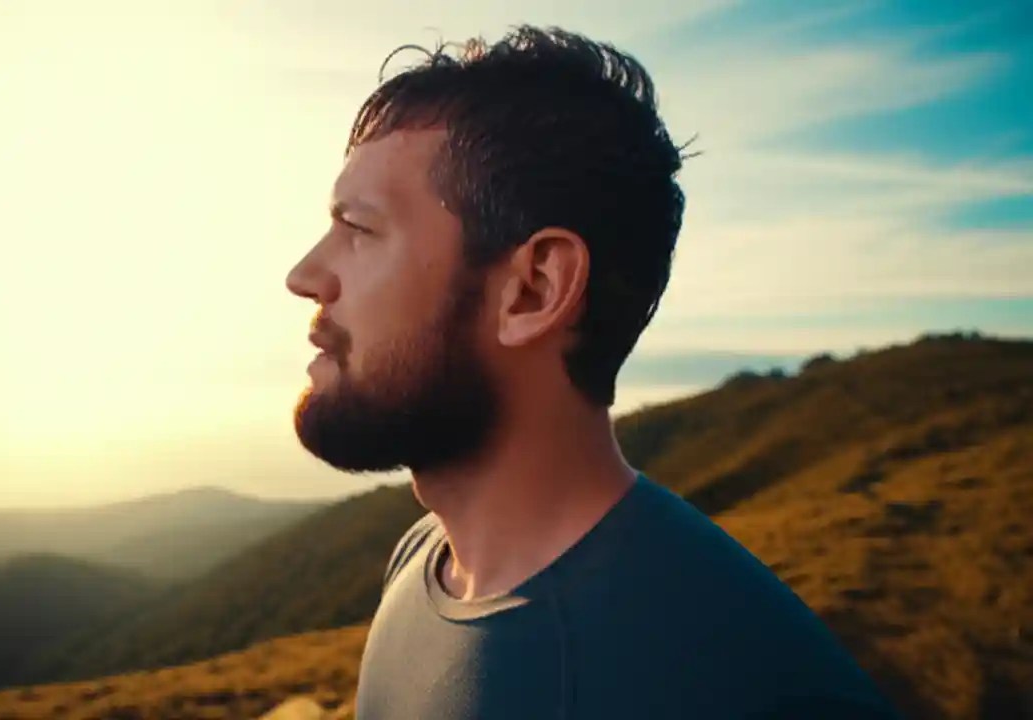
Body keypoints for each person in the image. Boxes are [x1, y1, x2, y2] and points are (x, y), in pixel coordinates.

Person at [285, 25, 899, 720]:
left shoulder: (734, 687)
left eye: (359, 230)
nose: (304, 275)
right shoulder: (424, 561)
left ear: (534, 291)